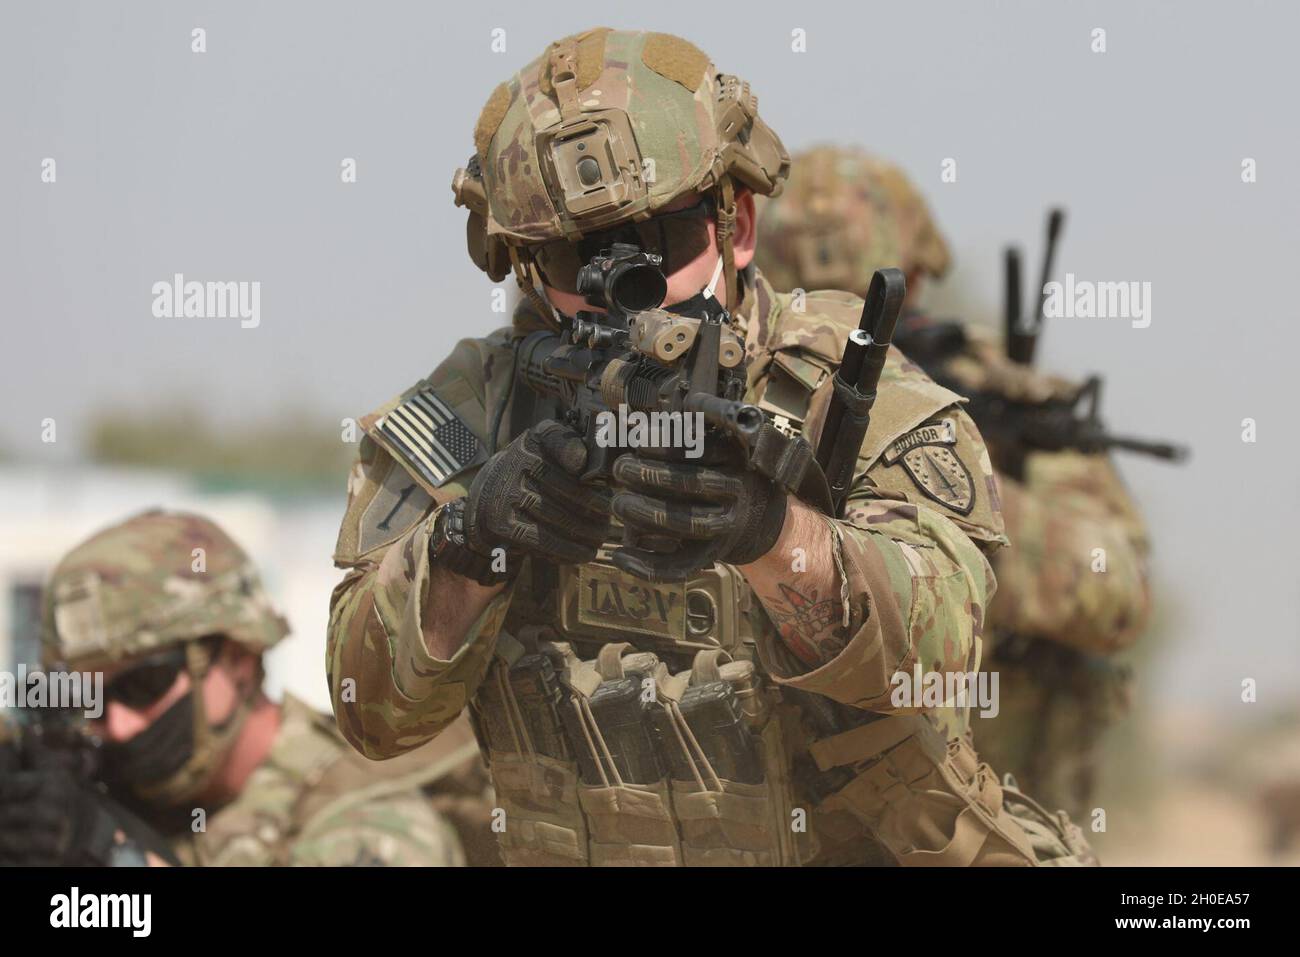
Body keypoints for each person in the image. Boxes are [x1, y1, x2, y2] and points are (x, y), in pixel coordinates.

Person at [327, 28, 1094, 866]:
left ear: (739, 226)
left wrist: (777, 538)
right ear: (523, 268)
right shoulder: (468, 413)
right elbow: (369, 713)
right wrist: (469, 543)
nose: (627, 293)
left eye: (665, 241)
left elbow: (945, 660)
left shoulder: (847, 389)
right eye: (574, 257)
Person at [756, 145, 1152, 817]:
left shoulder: (997, 394)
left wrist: (953, 495)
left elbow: (1118, 593)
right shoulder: (744, 388)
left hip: (986, 801)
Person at [0, 509, 468, 866]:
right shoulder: (94, 792)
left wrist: (108, 855)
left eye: (143, 685)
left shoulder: (368, 821)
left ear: (238, 658)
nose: (116, 725)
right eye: (89, 698)